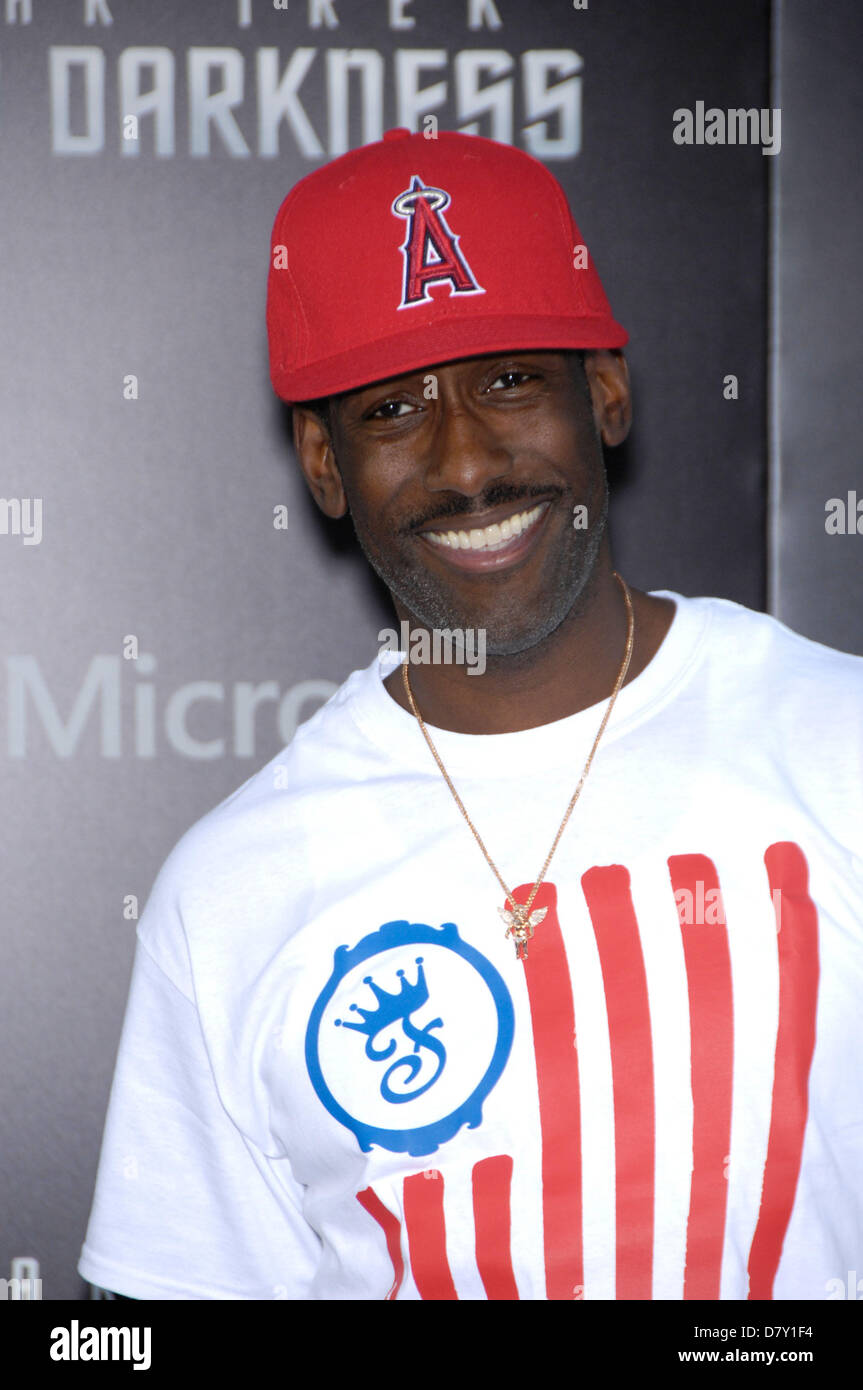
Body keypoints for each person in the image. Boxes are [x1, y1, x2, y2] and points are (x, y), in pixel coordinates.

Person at [78, 129, 863, 1302]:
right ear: (323, 462)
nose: (464, 462)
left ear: (602, 389)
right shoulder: (229, 892)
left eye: (507, 379)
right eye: (393, 408)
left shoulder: (836, 746)